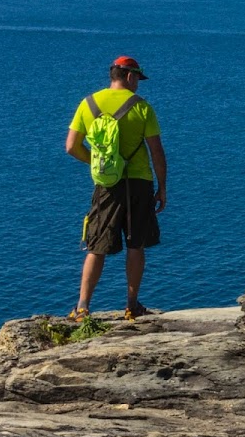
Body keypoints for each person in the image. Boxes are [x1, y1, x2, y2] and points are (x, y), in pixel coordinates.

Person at [65, 56, 168, 321]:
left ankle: (82, 307)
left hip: (106, 184)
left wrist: (98, 162)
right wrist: (162, 187)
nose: (139, 86)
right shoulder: (142, 108)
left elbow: (71, 147)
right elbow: (156, 152)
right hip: (139, 183)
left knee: (96, 246)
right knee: (136, 245)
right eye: (138, 80)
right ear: (130, 76)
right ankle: (132, 305)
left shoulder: (88, 104)